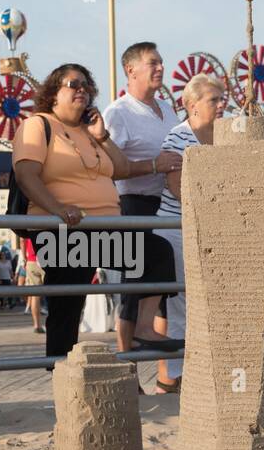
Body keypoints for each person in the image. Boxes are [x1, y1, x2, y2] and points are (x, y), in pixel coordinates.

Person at [12, 63, 176, 364]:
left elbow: (123, 169)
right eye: (73, 84)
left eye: (87, 85)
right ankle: (61, 371)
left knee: (156, 252)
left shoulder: (89, 131)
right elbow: (26, 176)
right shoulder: (38, 125)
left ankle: (143, 327)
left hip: (104, 228)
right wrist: (59, 209)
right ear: (53, 93)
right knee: (68, 302)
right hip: (62, 230)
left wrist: (101, 136)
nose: (82, 90)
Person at [102, 42, 183, 356]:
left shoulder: (169, 110)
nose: (161, 68)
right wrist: (153, 166)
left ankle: (160, 366)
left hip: (167, 204)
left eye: (162, 62)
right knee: (134, 286)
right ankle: (128, 372)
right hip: (133, 204)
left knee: (162, 280)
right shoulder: (118, 112)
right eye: (153, 63)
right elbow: (107, 166)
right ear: (130, 69)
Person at [152, 73, 224, 392]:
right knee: (181, 303)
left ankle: (193, 373)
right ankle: (176, 378)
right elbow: (178, 188)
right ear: (192, 105)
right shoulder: (178, 137)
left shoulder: (224, 139)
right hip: (178, 230)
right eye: (214, 100)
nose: (222, 105)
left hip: (212, 232)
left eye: (222, 99)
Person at [23, 236, 45, 332]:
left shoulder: (28, 223)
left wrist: (24, 258)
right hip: (46, 259)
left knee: (35, 295)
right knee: (54, 291)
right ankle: (56, 323)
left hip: (31, 261)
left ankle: (37, 325)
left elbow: (22, 241)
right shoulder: (47, 221)